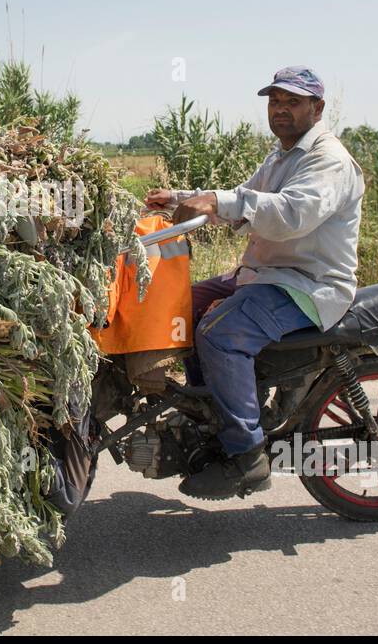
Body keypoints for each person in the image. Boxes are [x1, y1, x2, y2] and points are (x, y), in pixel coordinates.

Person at [145, 66, 365, 499]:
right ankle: (205, 409)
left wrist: (219, 202)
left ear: (317, 109)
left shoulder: (328, 160)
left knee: (219, 332)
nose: (281, 110)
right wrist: (180, 199)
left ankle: (247, 456)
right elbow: (242, 199)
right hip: (265, 275)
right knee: (179, 305)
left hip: (308, 285)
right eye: (274, 101)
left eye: (293, 102)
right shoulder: (282, 157)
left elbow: (289, 214)